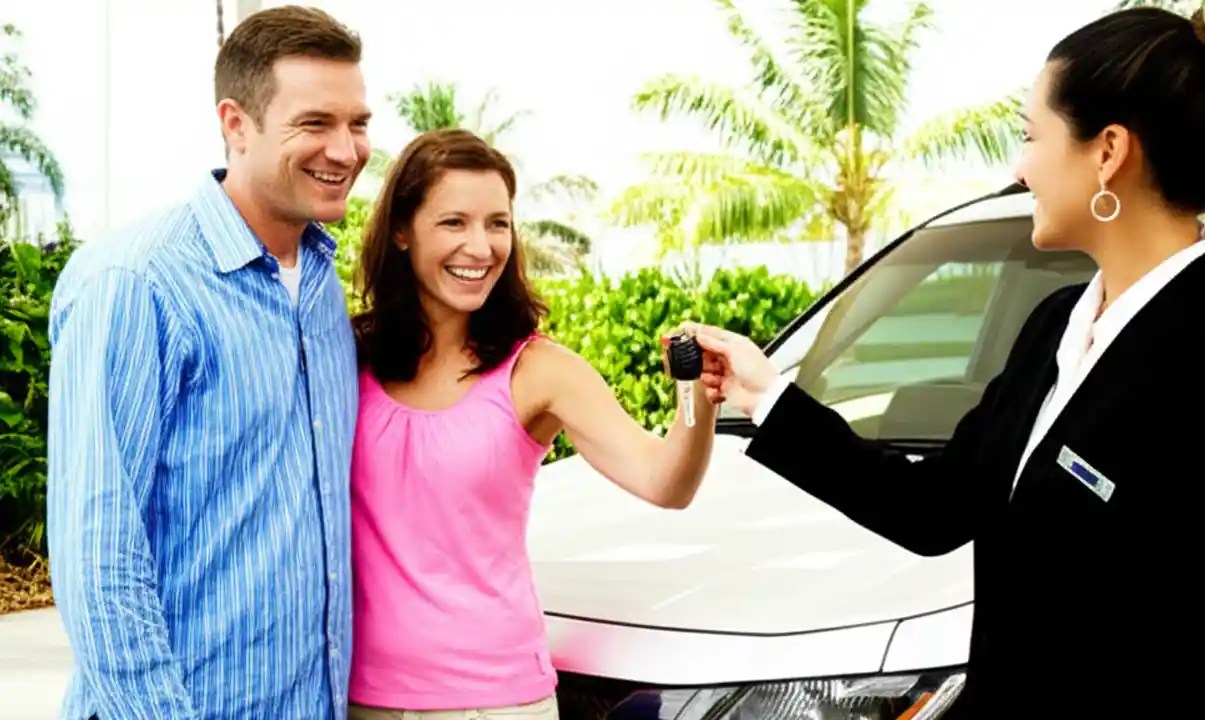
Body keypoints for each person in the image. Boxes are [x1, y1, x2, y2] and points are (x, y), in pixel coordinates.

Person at [688, 7, 1205, 718]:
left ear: (1108, 151)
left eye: (1030, 137)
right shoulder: (1055, 326)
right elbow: (936, 508)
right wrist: (768, 395)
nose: (1018, 166)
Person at [45, 6, 370, 719]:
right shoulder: (136, 282)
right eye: (314, 123)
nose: (345, 150)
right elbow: (99, 561)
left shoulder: (320, 282)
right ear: (236, 123)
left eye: (358, 123)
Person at [345, 128, 716, 719]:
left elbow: (664, 481)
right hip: (358, 696)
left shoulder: (538, 369)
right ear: (400, 231)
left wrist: (695, 393)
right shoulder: (350, 357)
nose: (482, 246)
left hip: (496, 702)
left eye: (498, 223)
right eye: (453, 223)